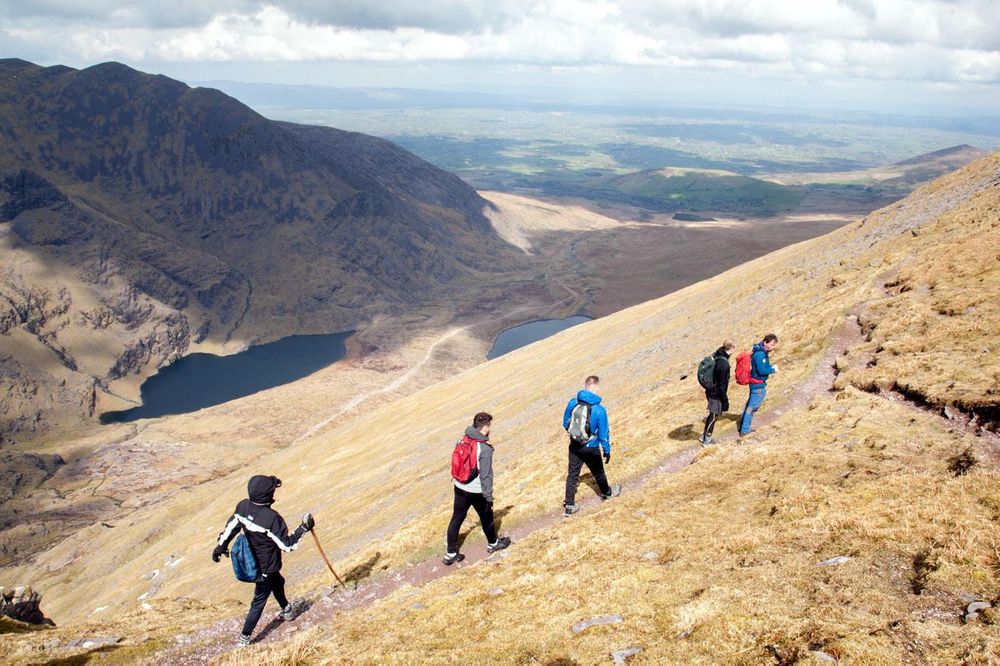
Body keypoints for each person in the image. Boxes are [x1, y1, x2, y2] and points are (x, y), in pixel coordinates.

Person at [212, 475, 314, 647]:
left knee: (278, 581)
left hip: (251, 561)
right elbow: (287, 545)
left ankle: (287, 610)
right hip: (266, 567)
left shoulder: (243, 506)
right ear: (268, 496)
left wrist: (220, 547)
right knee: (259, 601)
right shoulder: (271, 518)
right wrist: (303, 528)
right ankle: (244, 639)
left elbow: (231, 527)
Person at [443, 412, 511, 565]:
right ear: (485, 427)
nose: (490, 429)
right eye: (489, 426)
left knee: (457, 518)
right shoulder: (484, 449)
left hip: (459, 486)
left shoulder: (463, 438)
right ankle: (493, 544)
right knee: (486, 517)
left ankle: (450, 554)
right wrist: (488, 497)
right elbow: (486, 476)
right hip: (476, 490)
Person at [562, 375, 621, 517]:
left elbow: (566, 423)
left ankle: (570, 505)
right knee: (598, 472)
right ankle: (607, 493)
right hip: (591, 447)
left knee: (573, 474)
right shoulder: (600, 410)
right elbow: (603, 434)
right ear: (596, 388)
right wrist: (607, 451)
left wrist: (577, 436)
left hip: (574, 445)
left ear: (585, 386)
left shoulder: (572, 403)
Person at [739, 334, 778, 437]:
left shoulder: (759, 352)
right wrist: (773, 370)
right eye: (772, 344)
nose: (773, 347)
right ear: (765, 342)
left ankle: (743, 426)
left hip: (755, 384)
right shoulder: (760, 355)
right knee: (751, 408)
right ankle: (745, 429)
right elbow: (762, 370)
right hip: (758, 385)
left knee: (749, 406)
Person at [700, 339, 735, 445]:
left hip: (710, 389)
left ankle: (704, 436)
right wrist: (725, 401)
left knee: (712, 414)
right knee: (714, 415)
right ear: (732, 348)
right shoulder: (724, 364)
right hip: (716, 393)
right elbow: (722, 385)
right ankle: (707, 440)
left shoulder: (717, 355)